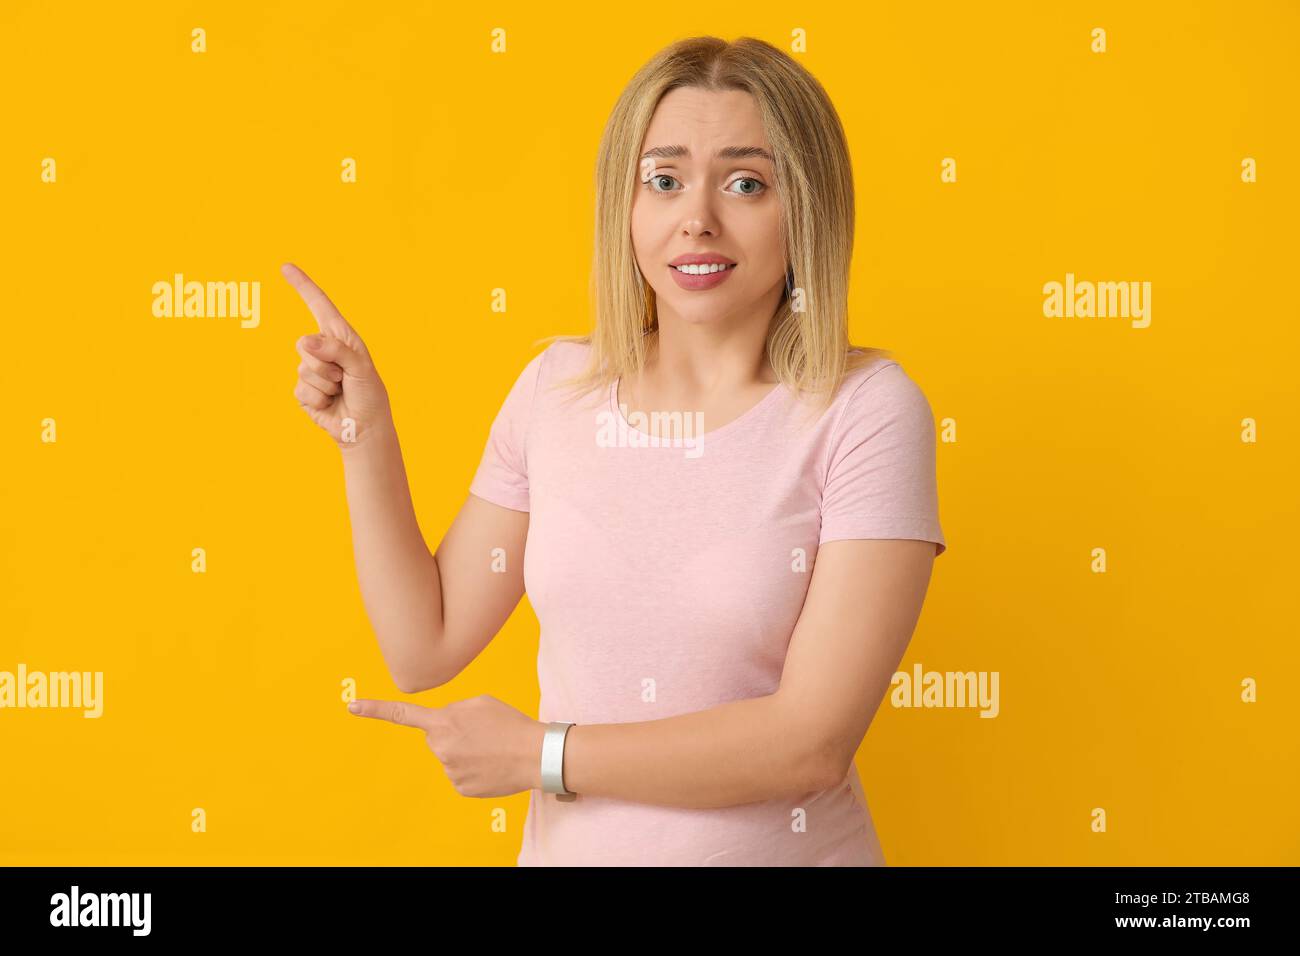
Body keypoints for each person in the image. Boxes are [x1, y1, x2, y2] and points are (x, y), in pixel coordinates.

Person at [283, 34, 947, 866]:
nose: (696, 217)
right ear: (624, 208)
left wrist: (542, 756)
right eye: (663, 181)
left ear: (807, 206)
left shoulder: (865, 412)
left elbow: (807, 744)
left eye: (746, 183)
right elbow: (426, 643)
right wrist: (365, 435)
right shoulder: (556, 391)